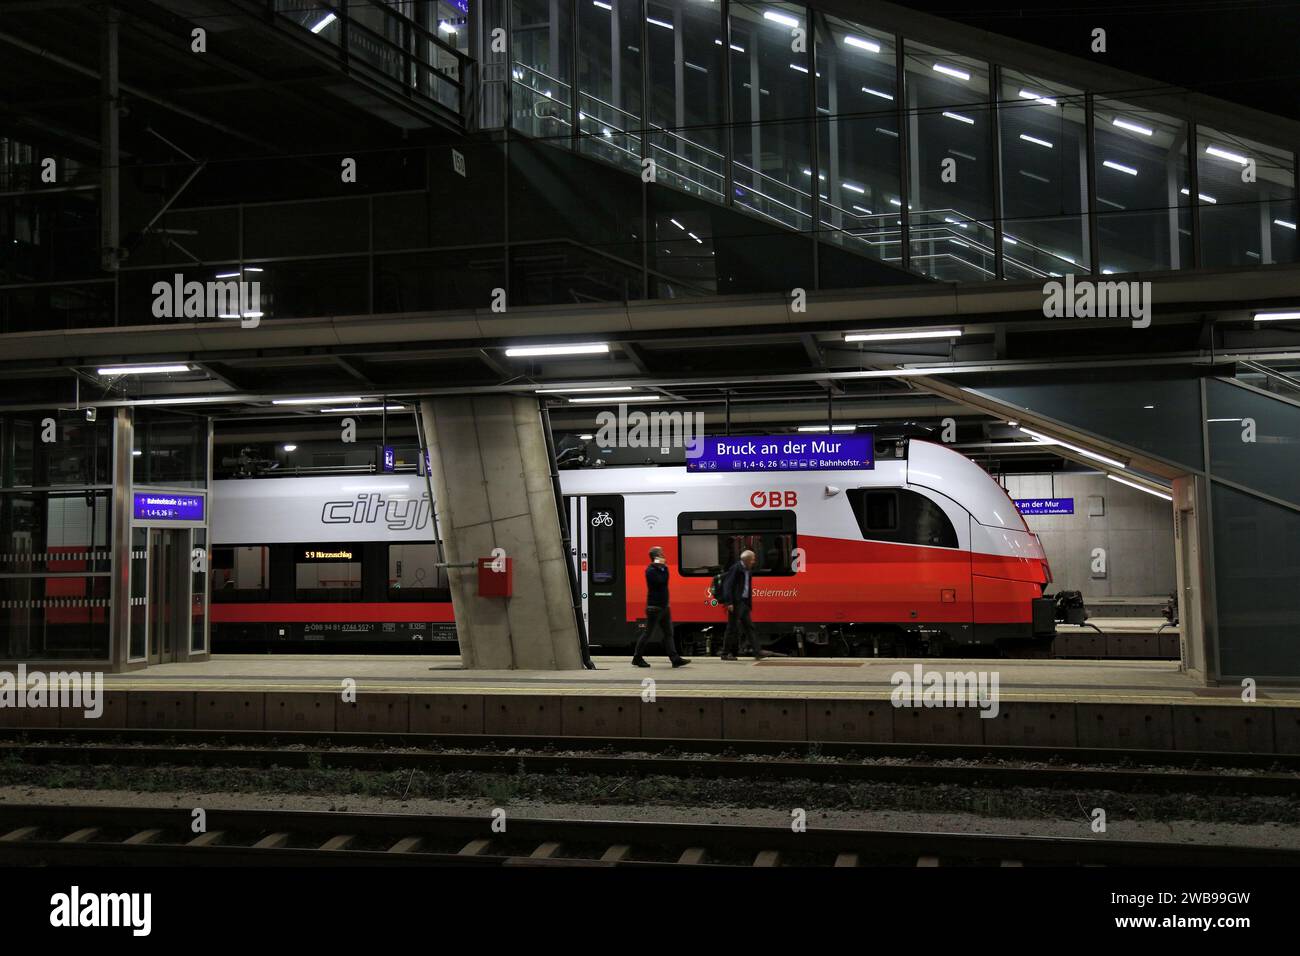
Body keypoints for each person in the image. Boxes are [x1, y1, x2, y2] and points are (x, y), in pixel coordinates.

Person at [633, 546, 690, 668]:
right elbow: (662, 581)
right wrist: (663, 567)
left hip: (664, 607)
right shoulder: (651, 571)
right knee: (648, 634)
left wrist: (663, 567)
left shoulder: (661, 569)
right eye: (661, 554)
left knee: (669, 633)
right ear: (656, 557)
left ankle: (675, 659)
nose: (663, 556)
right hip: (654, 608)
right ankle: (637, 658)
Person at [718, 549, 773, 660]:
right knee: (732, 628)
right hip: (736, 603)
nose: (754, 561)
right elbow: (728, 586)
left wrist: (748, 603)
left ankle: (757, 652)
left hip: (744, 603)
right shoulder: (736, 568)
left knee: (749, 627)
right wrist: (729, 603)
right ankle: (725, 653)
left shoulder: (747, 569)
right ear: (747, 560)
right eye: (752, 559)